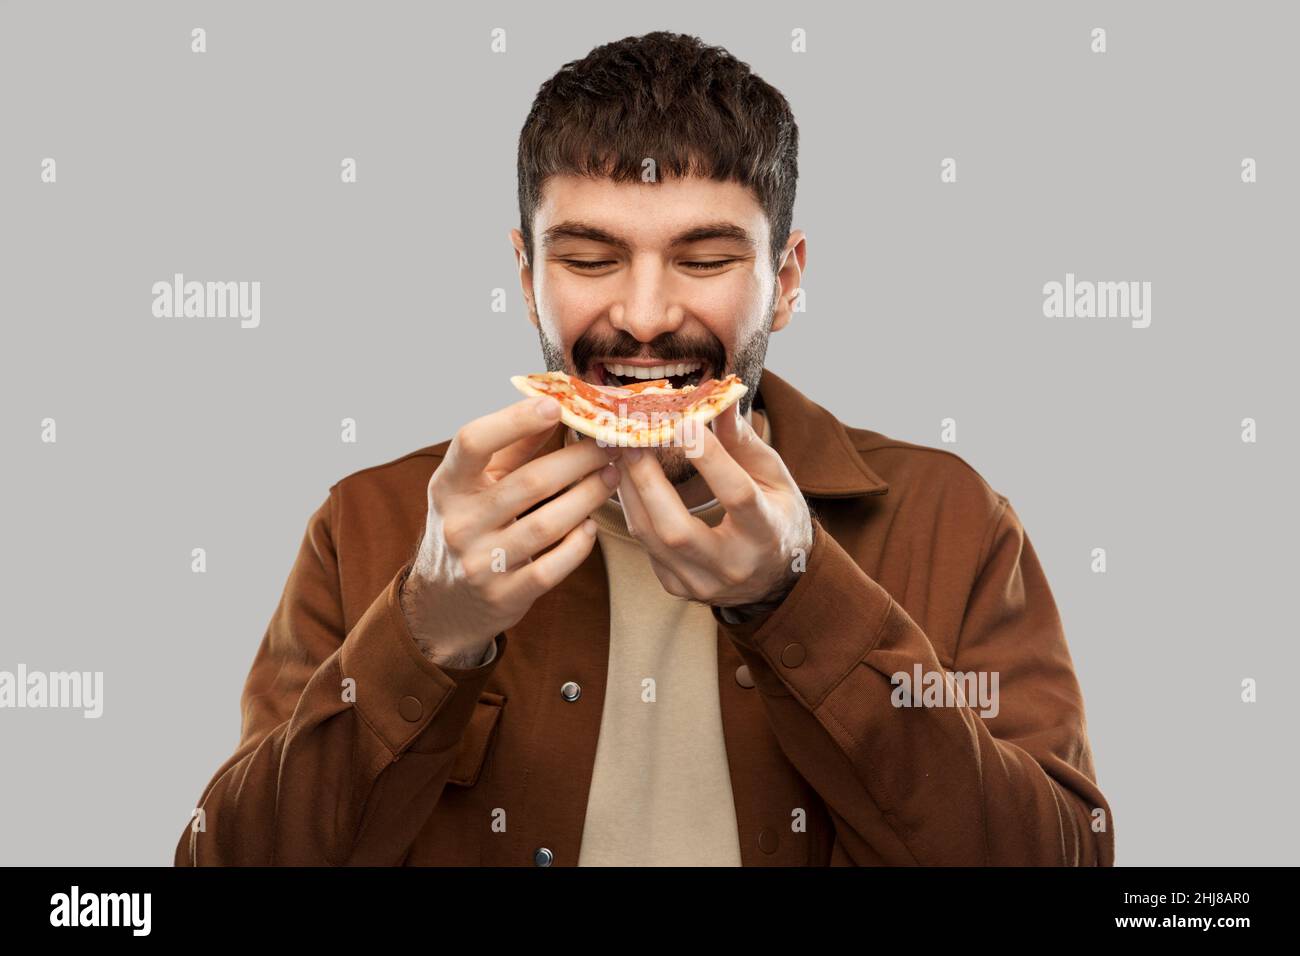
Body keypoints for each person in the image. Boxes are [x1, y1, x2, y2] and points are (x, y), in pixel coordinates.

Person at [175, 30, 1114, 867]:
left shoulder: (948, 516)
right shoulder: (369, 522)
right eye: (588, 259)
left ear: (786, 282)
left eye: (706, 260)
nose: (645, 316)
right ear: (525, 275)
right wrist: (428, 630)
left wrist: (796, 595)